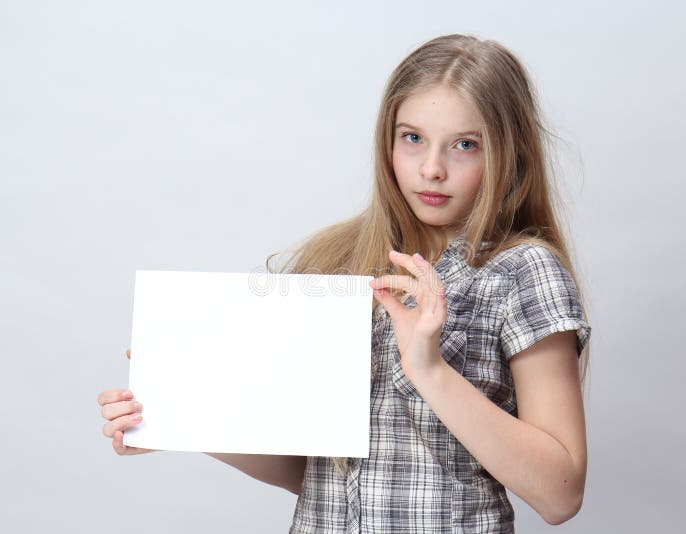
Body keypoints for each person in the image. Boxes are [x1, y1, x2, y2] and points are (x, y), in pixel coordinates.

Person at [97, 33, 592, 532]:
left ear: (510, 152)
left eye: (465, 145)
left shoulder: (522, 272)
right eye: (412, 137)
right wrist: (188, 414)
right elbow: (309, 472)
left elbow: (560, 494)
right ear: (387, 141)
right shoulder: (339, 261)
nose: (432, 168)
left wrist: (430, 369)